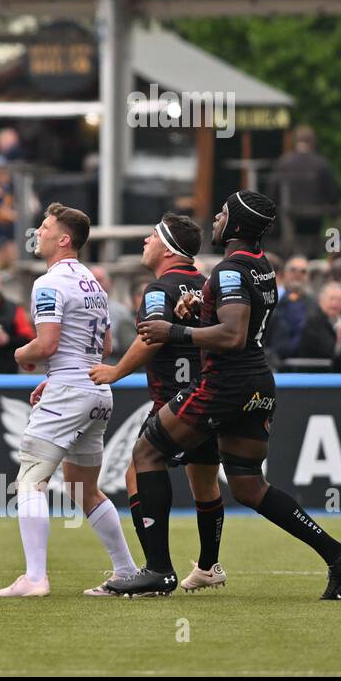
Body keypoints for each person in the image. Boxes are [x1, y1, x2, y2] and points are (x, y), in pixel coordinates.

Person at [114, 191, 341, 599]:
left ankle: (158, 570)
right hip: (257, 386)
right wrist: (198, 314)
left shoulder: (230, 270)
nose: (216, 217)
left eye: (223, 212)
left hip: (225, 385)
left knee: (147, 454)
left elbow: (232, 336)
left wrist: (173, 331)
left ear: (235, 226)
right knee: (248, 486)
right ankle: (338, 554)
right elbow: (239, 326)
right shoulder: (261, 266)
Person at [0, 203, 137, 598]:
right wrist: (57, 374)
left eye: (44, 227)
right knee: (84, 489)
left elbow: (48, 343)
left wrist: (22, 355)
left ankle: (36, 577)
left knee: (30, 481)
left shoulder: (49, 282)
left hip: (70, 391)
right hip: (95, 390)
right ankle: (126, 571)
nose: (36, 232)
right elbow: (106, 345)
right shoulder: (94, 282)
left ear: (63, 239)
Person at [88, 214, 228, 593]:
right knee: (204, 480)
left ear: (167, 247)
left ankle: (156, 569)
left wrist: (115, 372)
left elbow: (152, 338)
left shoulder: (158, 289)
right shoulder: (209, 286)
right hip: (208, 396)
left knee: (138, 467)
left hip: (173, 399)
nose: (145, 242)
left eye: (151, 236)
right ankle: (208, 565)